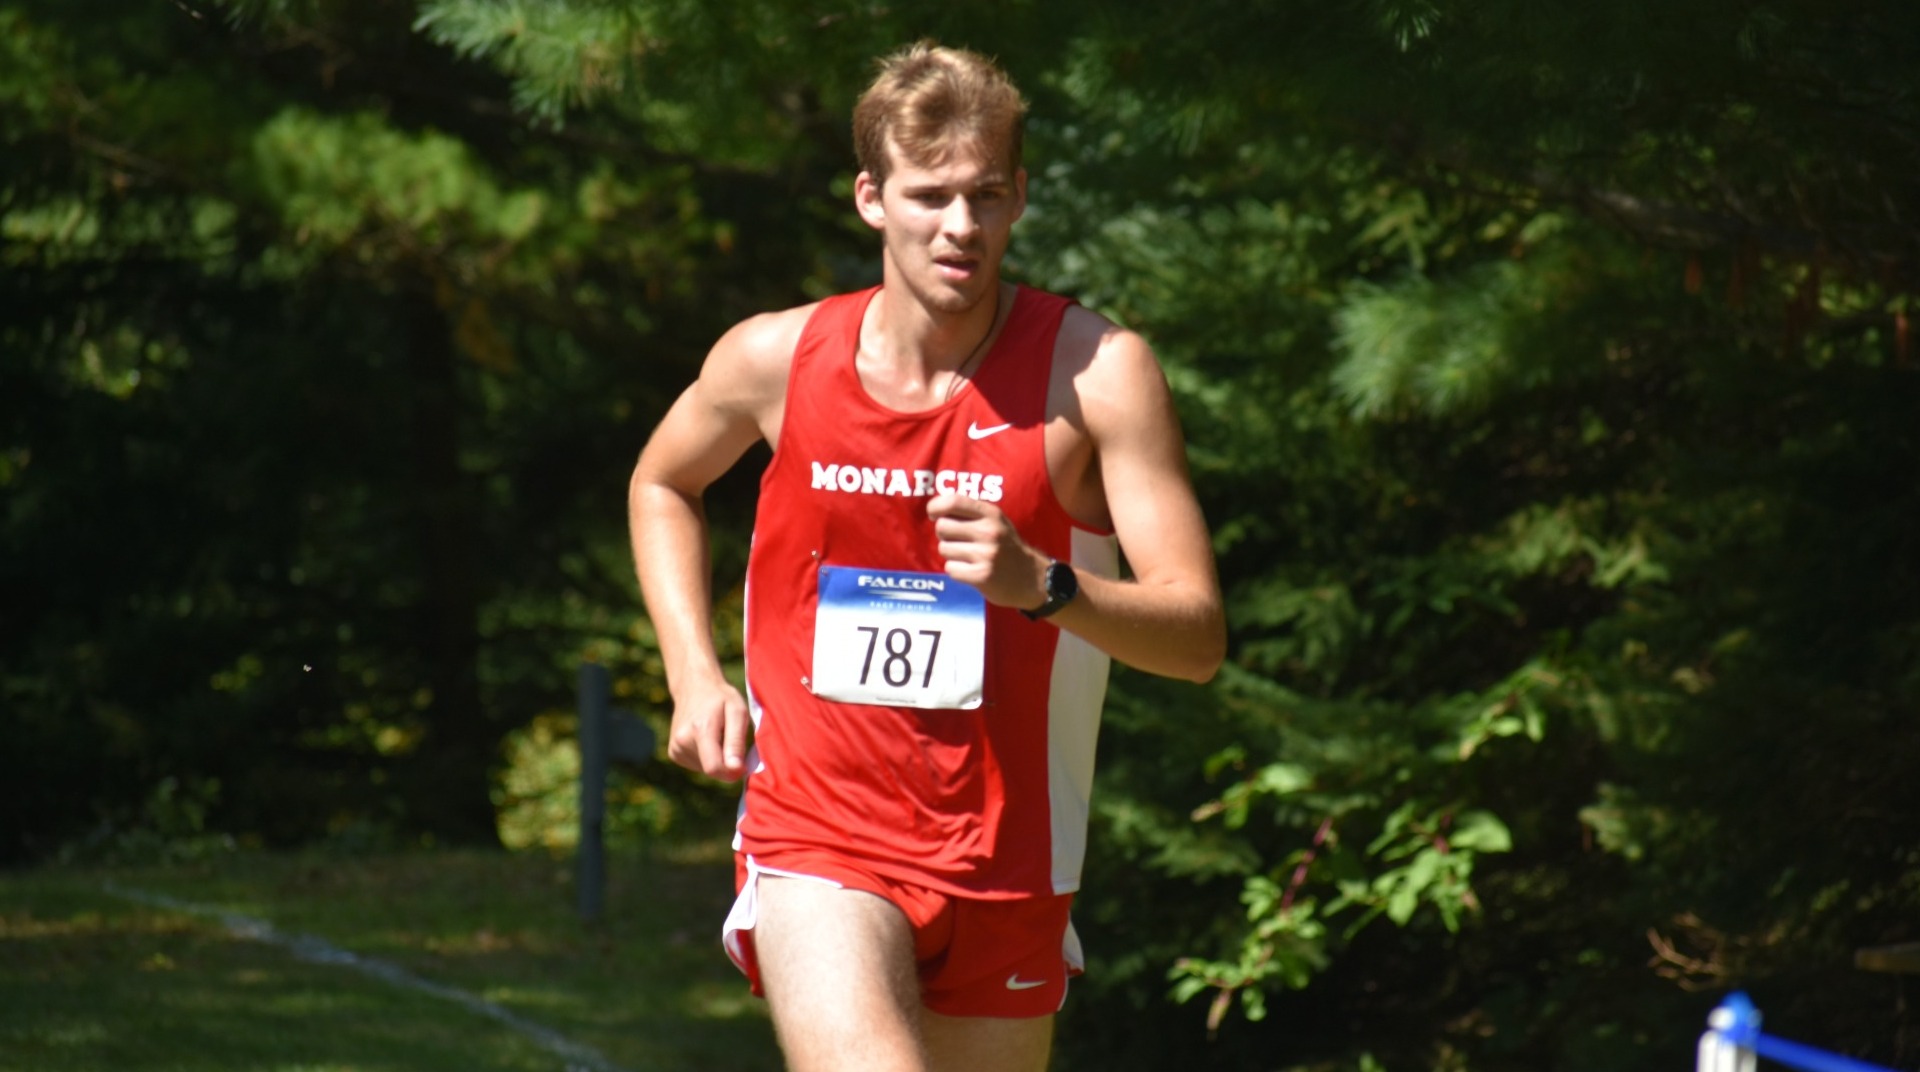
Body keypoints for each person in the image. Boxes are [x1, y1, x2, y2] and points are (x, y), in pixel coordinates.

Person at [628, 41, 1226, 1072]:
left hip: (1010, 859)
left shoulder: (1097, 376)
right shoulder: (775, 358)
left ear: (1022, 195)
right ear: (871, 197)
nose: (961, 227)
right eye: (931, 195)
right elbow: (661, 484)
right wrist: (693, 675)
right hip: (818, 829)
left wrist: (1043, 584)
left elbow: (1197, 637)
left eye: (988, 195)